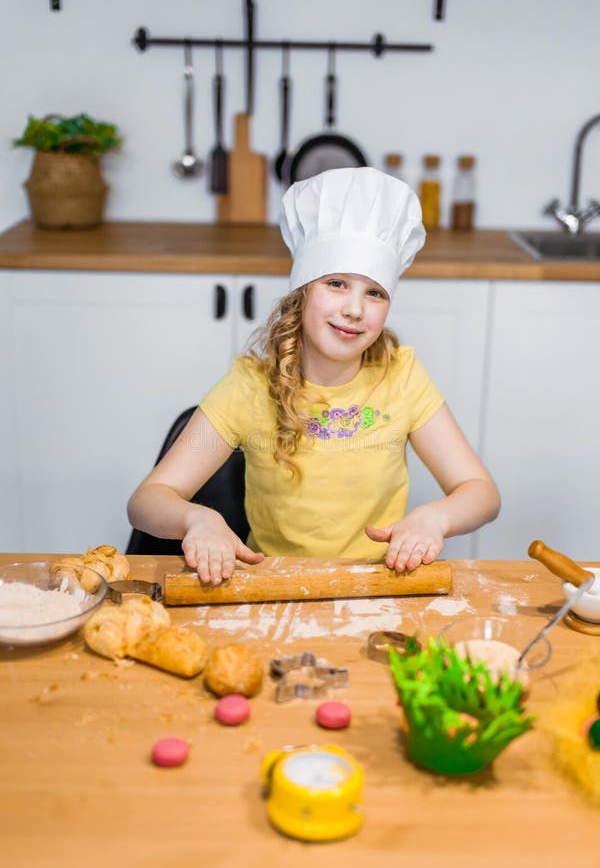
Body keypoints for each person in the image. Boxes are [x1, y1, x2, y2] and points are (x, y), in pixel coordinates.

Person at [127, 167, 500, 585]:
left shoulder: (402, 378)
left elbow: (481, 492)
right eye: (337, 283)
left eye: (374, 292)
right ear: (302, 291)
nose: (355, 309)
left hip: (379, 586)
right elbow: (147, 501)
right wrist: (197, 519)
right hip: (273, 588)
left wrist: (436, 517)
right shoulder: (249, 388)